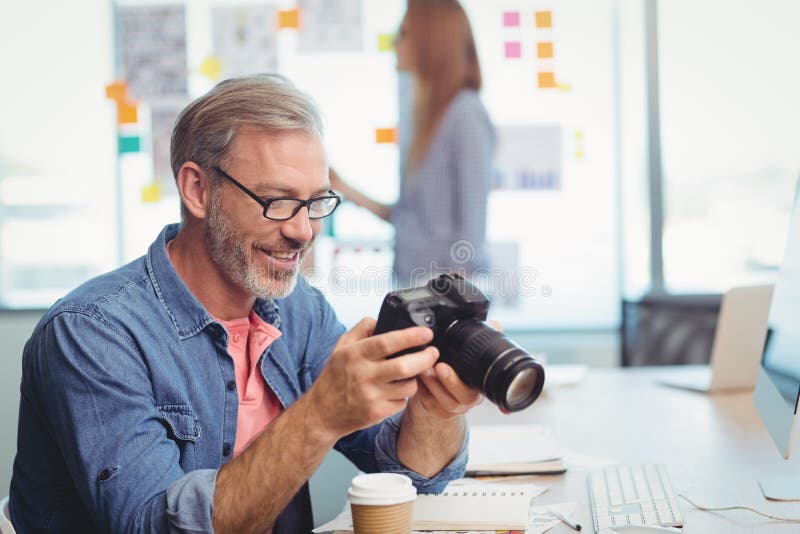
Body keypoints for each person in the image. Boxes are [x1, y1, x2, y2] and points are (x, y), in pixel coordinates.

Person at [9, 74, 482, 534]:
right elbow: (152, 525)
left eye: (316, 202)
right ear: (198, 190)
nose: (303, 231)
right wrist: (319, 414)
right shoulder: (92, 333)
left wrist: (435, 411)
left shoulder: (300, 312)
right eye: (276, 201)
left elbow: (408, 471)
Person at [330, 0, 495, 285]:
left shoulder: (465, 113)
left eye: (404, 33)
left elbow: (471, 232)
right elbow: (410, 221)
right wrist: (343, 186)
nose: (396, 42)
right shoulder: (425, 120)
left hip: (442, 296)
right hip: (415, 289)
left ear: (431, 41)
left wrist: (443, 304)